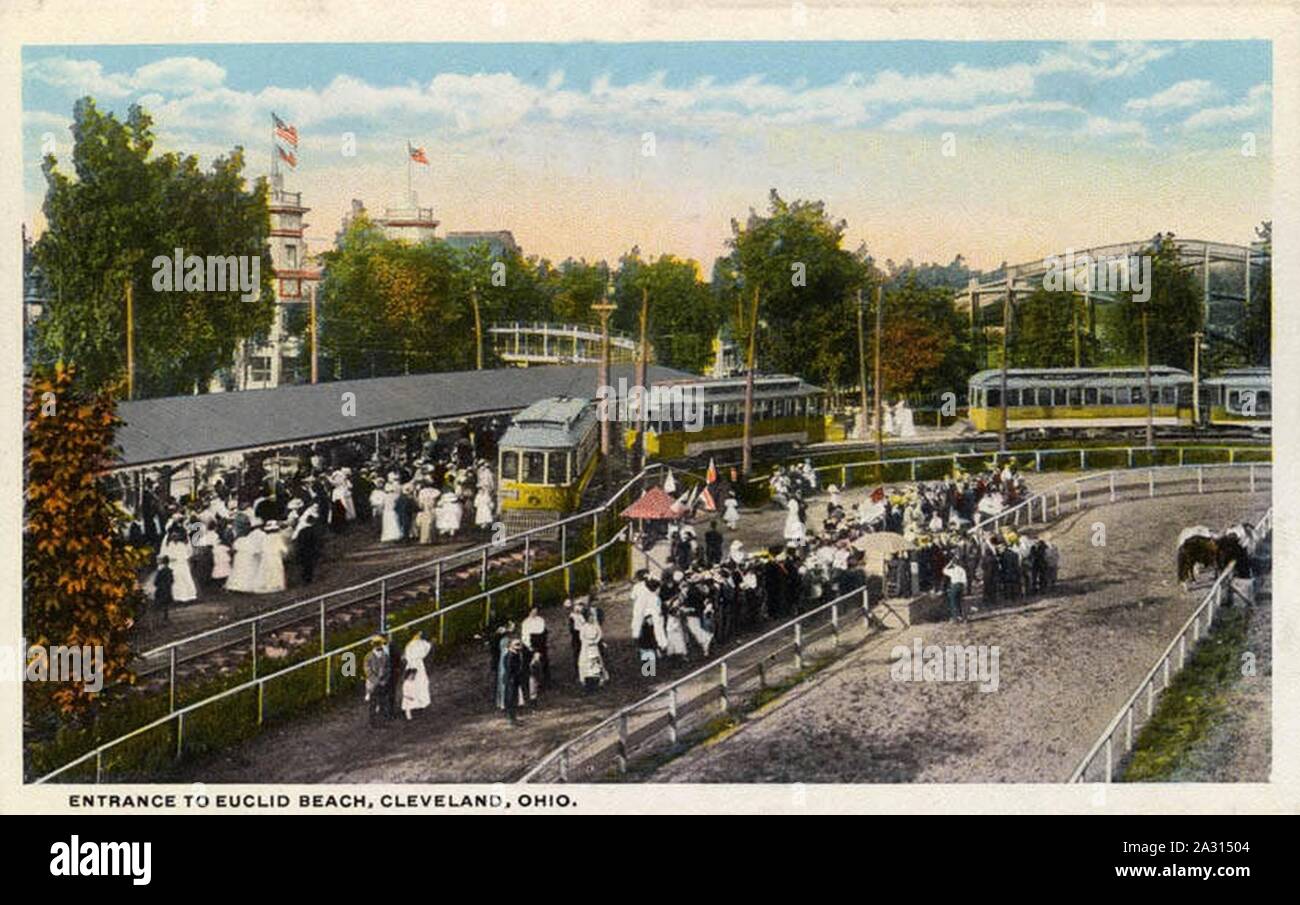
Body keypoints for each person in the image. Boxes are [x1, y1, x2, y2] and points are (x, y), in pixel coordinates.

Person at [401, 630, 432, 720]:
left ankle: (418, 705)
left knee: (418, 685)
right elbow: (426, 649)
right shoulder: (418, 644)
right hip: (416, 666)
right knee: (414, 686)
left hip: (414, 665)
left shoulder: (410, 645)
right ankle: (414, 707)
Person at [161, 527, 198, 603]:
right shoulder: (169, 543)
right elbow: (164, 553)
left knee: (185, 577)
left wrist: (185, 558)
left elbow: (189, 552)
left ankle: (188, 596)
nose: (174, 536)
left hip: (182, 563)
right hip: (172, 564)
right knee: (175, 579)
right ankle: (177, 597)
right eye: (173, 534)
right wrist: (169, 558)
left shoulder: (183, 543)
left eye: (176, 534)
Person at [520, 607, 549, 699]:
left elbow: (543, 631)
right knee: (531, 666)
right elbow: (525, 636)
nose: (535, 612)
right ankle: (530, 687)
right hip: (531, 645)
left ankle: (544, 683)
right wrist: (530, 647)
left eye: (536, 611)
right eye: (533, 611)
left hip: (541, 644)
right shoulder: (526, 622)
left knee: (544, 663)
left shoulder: (540, 620)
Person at [363, 636, 391, 726]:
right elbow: (368, 671)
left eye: (379, 644)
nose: (379, 646)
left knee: (383, 701)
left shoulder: (385, 656)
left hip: (383, 682)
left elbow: (388, 668)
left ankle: (382, 721)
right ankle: (373, 722)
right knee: (373, 703)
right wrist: (377, 681)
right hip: (373, 684)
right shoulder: (368, 657)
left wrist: (385, 680)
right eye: (377, 645)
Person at [255, 521, 288, 594]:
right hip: (275, 555)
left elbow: (261, 548)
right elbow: (282, 547)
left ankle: (268, 584)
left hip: (266, 556)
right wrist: (285, 552)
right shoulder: (278, 537)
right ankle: (276, 585)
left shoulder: (264, 538)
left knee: (267, 570)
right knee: (276, 569)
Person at [577, 612, 607, 693]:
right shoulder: (584, 627)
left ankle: (598, 679)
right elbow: (581, 637)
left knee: (596, 662)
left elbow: (600, 634)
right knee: (586, 662)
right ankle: (587, 680)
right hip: (586, 647)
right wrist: (588, 642)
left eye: (592, 617)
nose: (591, 619)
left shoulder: (596, 626)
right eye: (589, 617)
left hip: (594, 646)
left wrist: (595, 641)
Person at [501, 637, 526, 724]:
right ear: (510, 646)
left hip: (515, 680)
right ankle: (511, 718)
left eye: (520, 644)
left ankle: (513, 717)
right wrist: (513, 678)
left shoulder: (516, 655)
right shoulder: (509, 656)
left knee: (514, 699)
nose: (519, 647)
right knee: (510, 699)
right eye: (516, 645)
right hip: (511, 680)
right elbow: (509, 670)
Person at [943, 556, 968, 623]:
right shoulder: (962, 569)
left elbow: (944, 570)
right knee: (960, 601)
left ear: (953, 564)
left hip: (954, 586)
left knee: (953, 602)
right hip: (961, 586)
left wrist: (949, 564)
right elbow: (965, 580)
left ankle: (955, 618)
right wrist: (965, 589)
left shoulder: (952, 570)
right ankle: (961, 616)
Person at [153, 556, 174, 625]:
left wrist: (159, 585)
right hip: (167, 590)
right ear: (168, 563)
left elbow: (155, 582)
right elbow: (172, 581)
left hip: (160, 590)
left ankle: (158, 621)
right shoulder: (170, 571)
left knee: (158, 605)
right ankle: (165, 619)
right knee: (166, 606)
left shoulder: (160, 571)